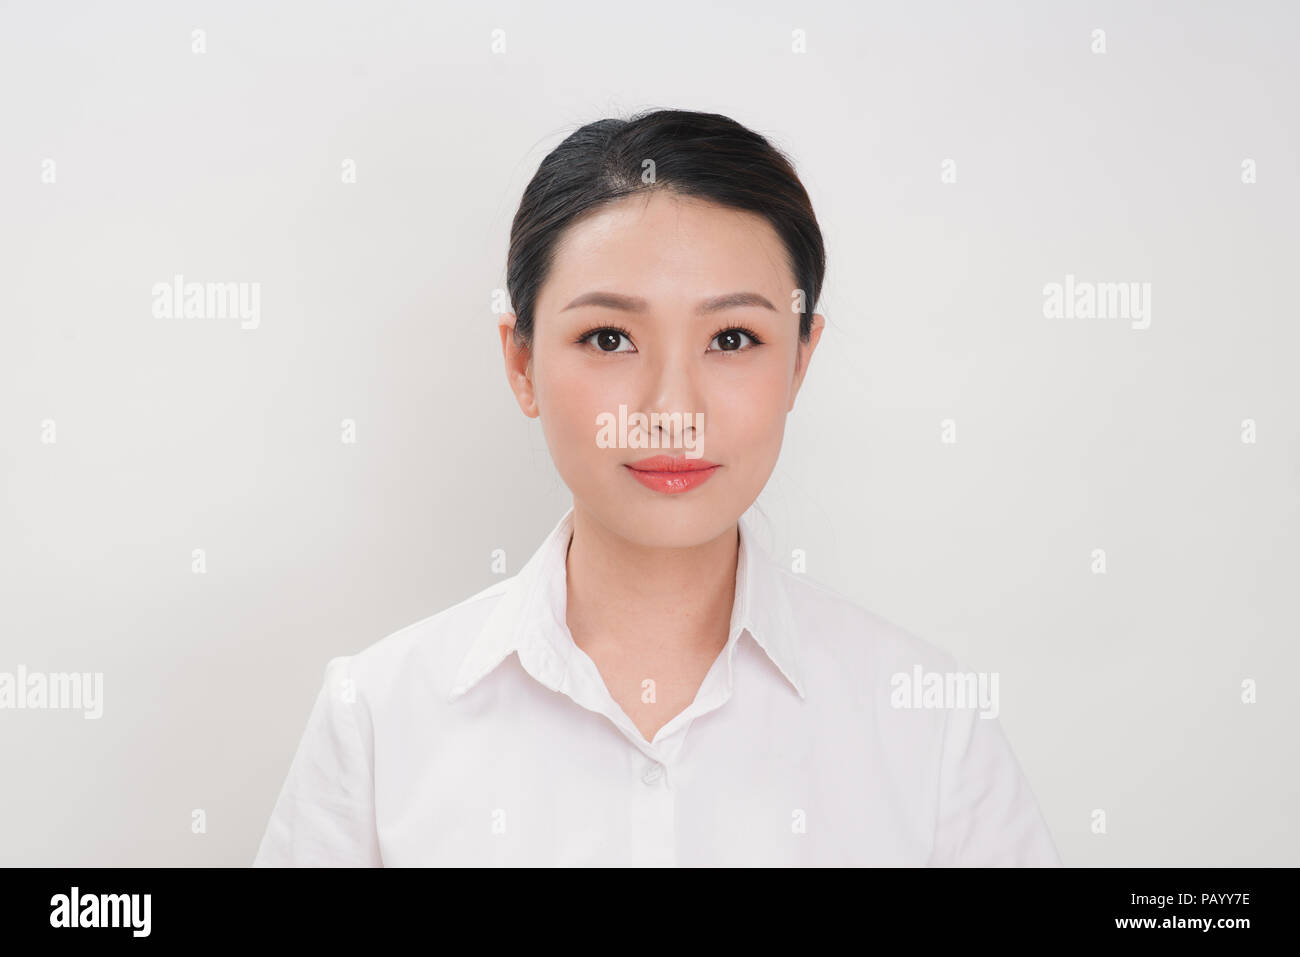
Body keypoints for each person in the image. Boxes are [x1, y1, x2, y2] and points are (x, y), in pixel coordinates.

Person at [253, 108, 1060, 866]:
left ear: (799, 362)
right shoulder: (377, 722)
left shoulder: (929, 725)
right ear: (522, 360)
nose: (672, 410)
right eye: (610, 337)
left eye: (733, 338)